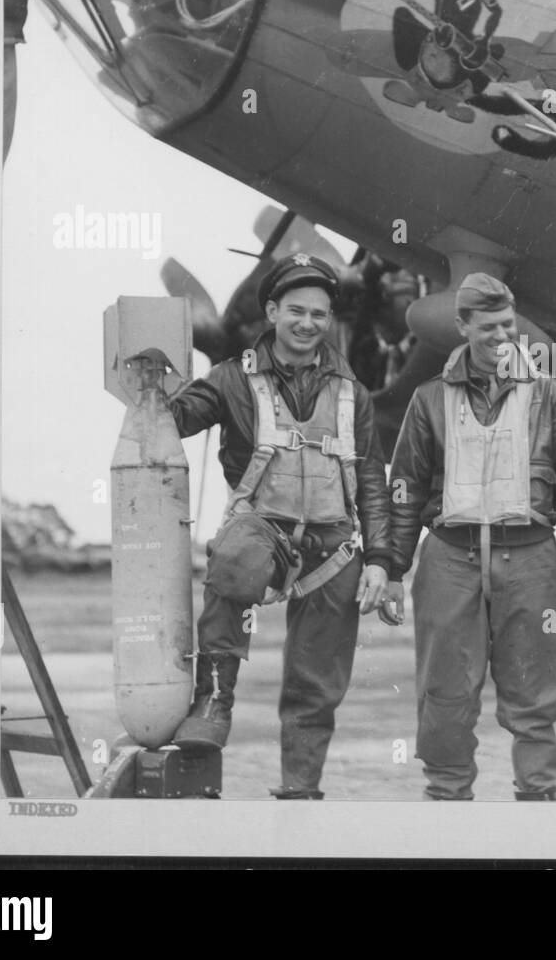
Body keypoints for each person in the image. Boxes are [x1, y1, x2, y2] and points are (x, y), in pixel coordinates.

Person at [167, 253, 394, 800]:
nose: (308, 323)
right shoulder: (230, 379)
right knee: (235, 558)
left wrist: (383, 559)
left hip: (334, 545)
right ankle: (214, 700)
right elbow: (176, 417)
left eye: (319, 313)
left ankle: (300, 784)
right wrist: (155, 380)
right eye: (296, 310)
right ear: (272, 311)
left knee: (316, 677)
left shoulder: (352, 394)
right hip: (262, 527)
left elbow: (371, 481)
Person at [386, 273, 556, 801]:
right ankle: (448, 795)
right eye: (489, 326)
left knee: (536, 690)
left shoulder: (551, 396)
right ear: (462, 327)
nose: (502, 335)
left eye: (509, 325)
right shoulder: (429, 398)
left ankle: (538, 796)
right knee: (445, 690)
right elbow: (405, 487)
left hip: (532, 557)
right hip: (450, 557)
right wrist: (390, 568)